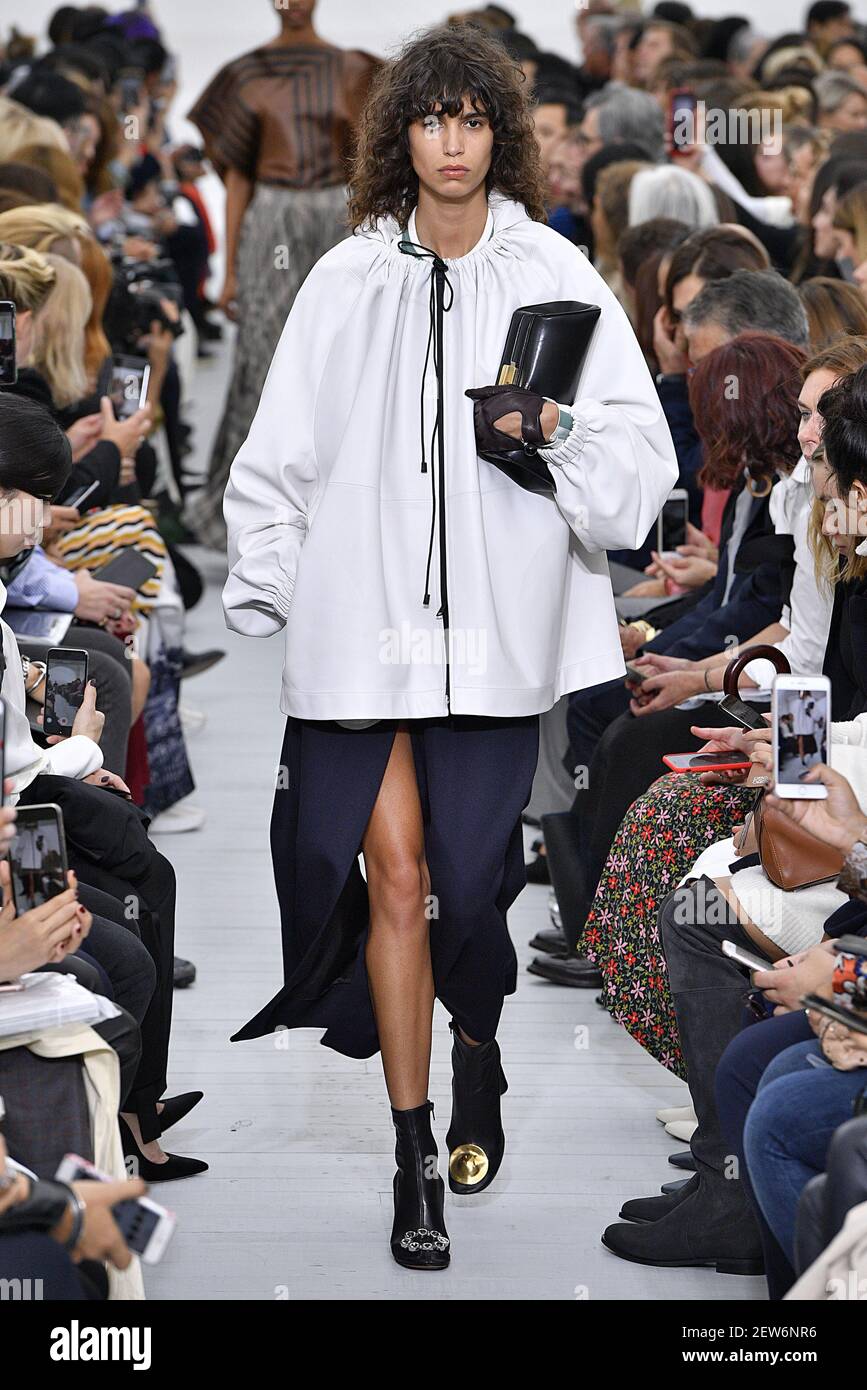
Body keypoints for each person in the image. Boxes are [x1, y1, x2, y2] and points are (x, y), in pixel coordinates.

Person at [222, 23, 677, 1271]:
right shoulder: (348, 279)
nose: (454, 142)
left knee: (471, 889)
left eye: (475, 120)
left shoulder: (557, 277)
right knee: (401, 883)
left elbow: (642, 472)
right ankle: (411, 1152)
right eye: (432, 119)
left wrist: (551, 432)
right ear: (399, 136)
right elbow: (285, 449)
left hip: (496, 642)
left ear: (501, 135)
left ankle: (477, 1049)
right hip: (358, 638)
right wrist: (264, 576)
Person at [186, 0, 380, 549]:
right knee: (263, 358)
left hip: (341, 215)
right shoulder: (243, 76)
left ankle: (338, 506)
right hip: (271, 218)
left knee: (342, 353)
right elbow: (238, 179)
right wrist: (230, 275)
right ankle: (249, 508)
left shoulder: (355, 71)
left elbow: (375, 163)